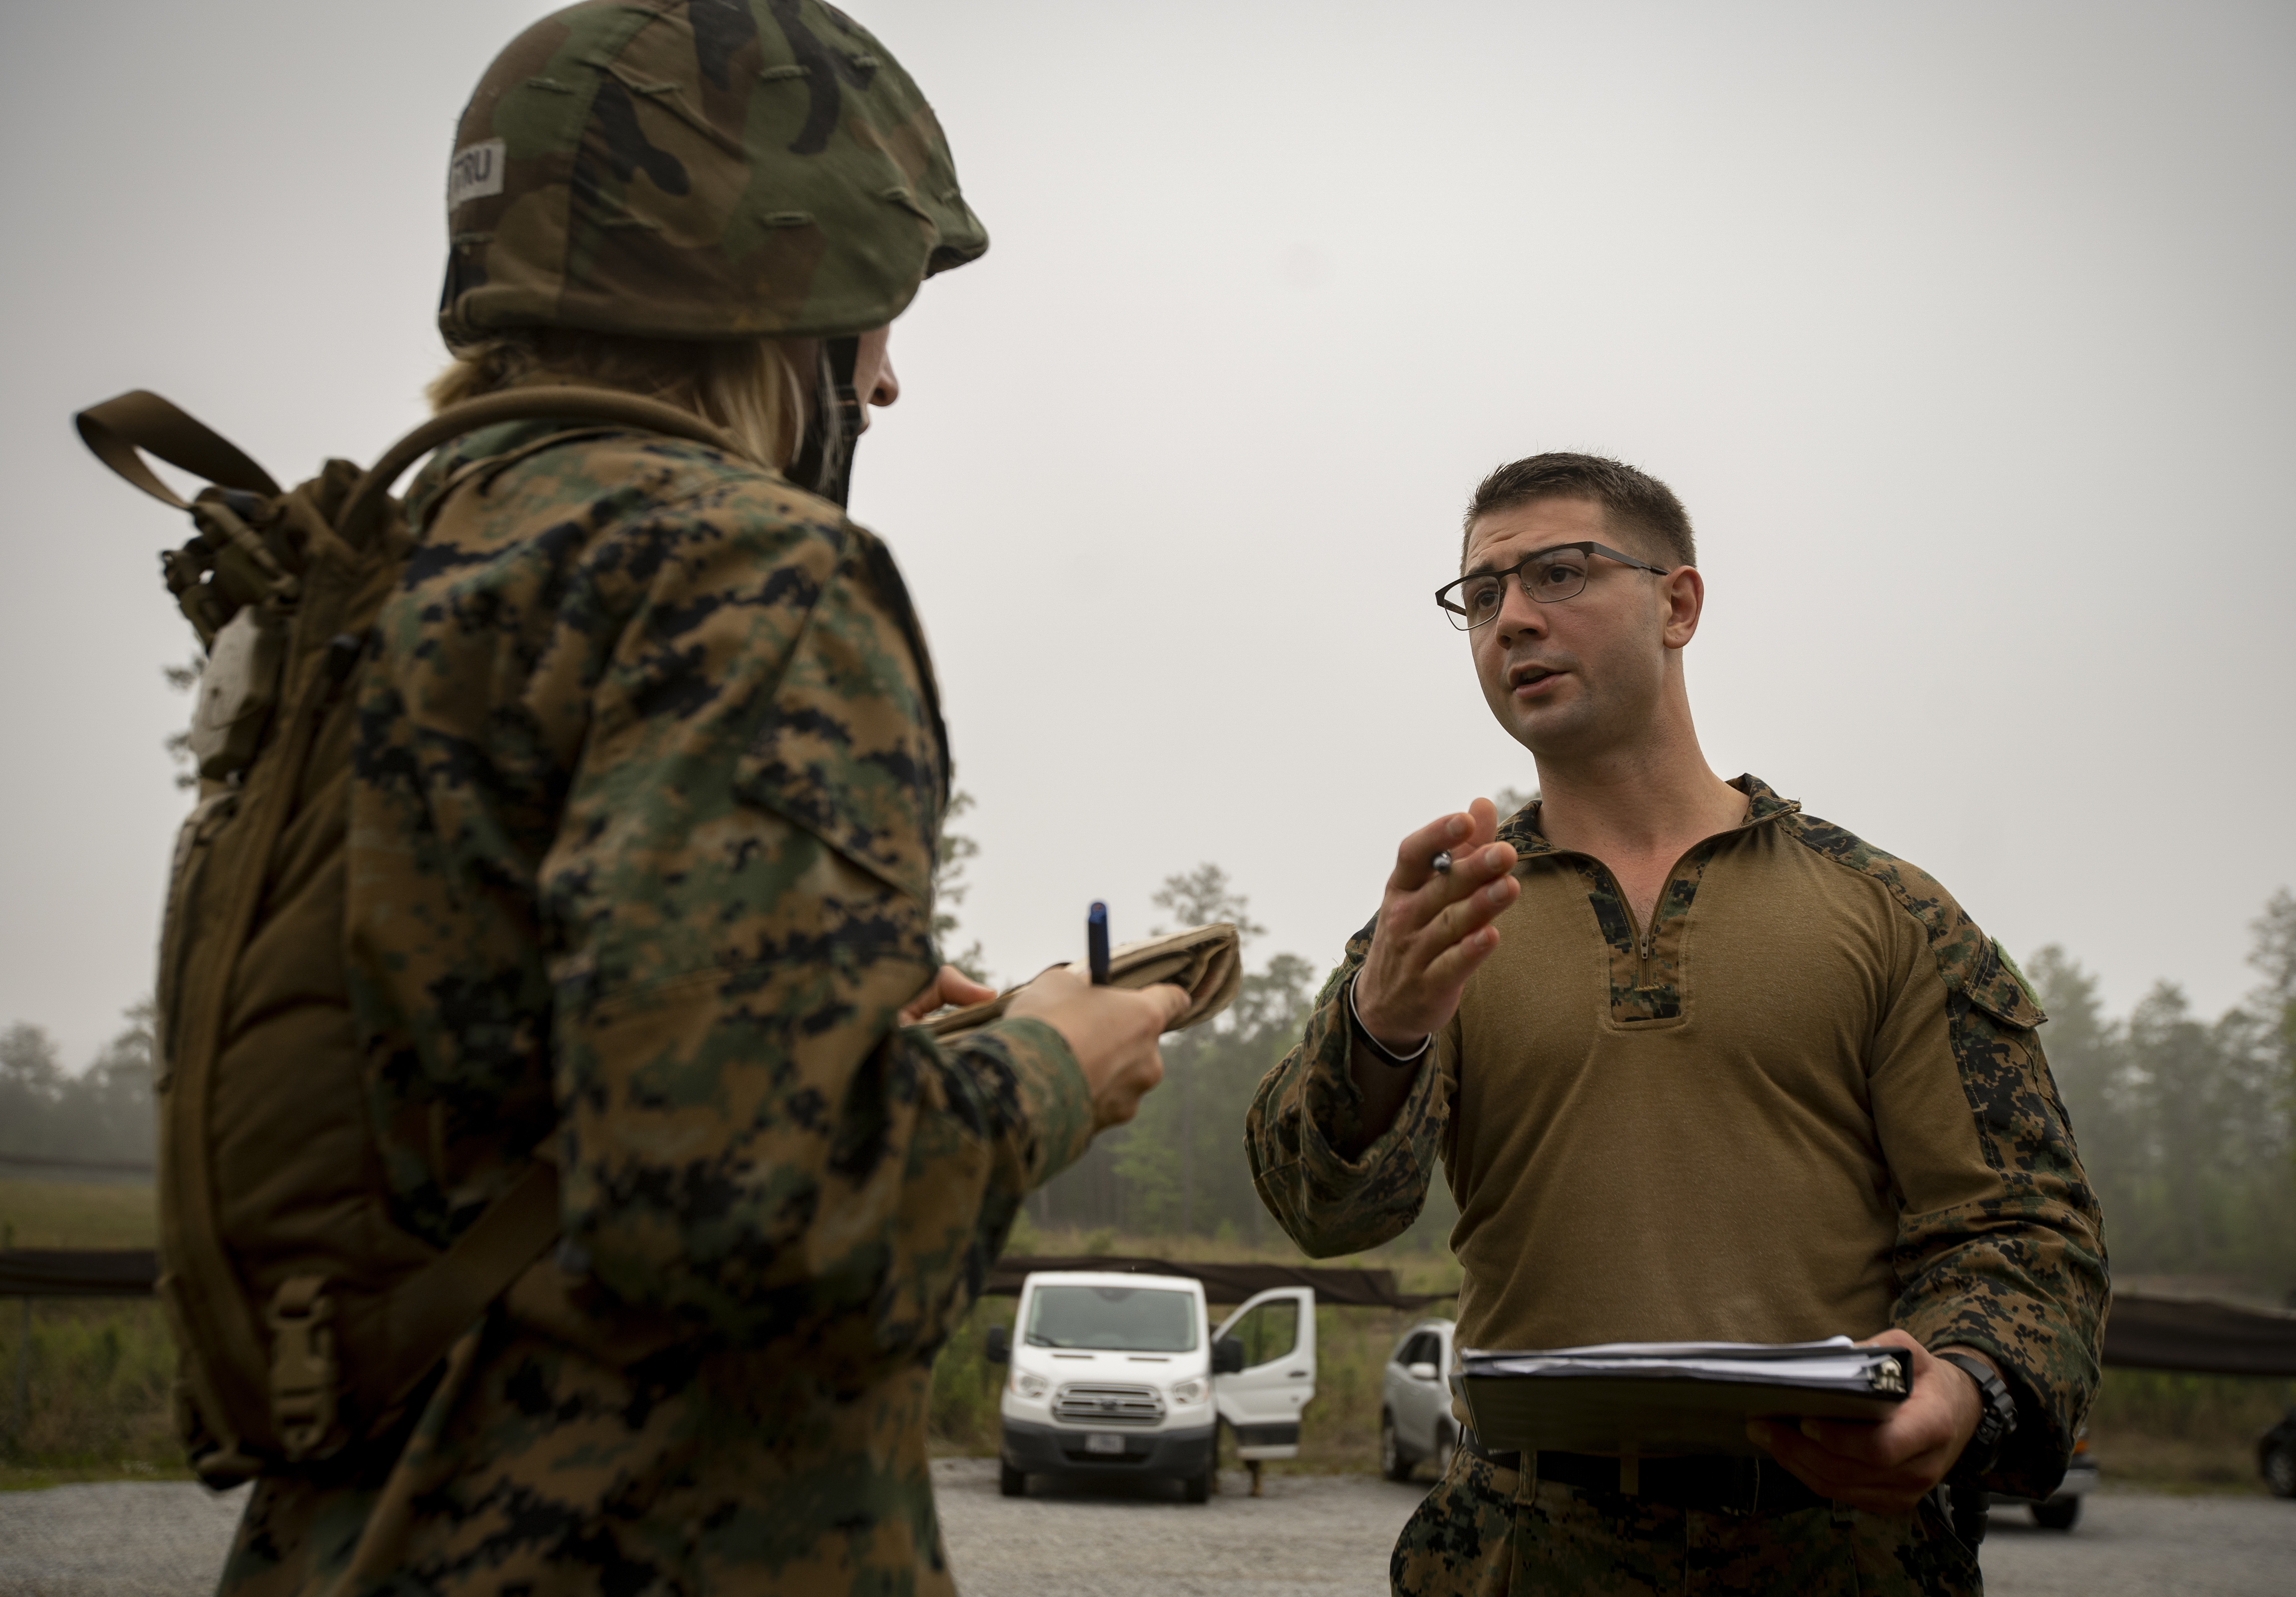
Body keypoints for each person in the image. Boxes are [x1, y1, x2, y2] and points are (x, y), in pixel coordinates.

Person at [218, 4, 1187, 1593]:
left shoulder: (398, 566)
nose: (886, 377)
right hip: (642, 1535)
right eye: (879, 306)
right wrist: (1049, 1066)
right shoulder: (744, 569)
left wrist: (828, 1029)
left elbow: (500, 1092)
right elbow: (752, 1221)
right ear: (779, 284)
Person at [1245, 453, 2106, 1596]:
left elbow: (2026, 1231)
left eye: (1558, 572)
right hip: (1520, 1555)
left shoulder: (1885, 913)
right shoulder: (1446, 920)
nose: (1513, 621)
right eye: (1482, 596)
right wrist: (1384, 1027)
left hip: (1840, 1552)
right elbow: (1325, 1209)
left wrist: (1962, 1387)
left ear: (1678, 603)